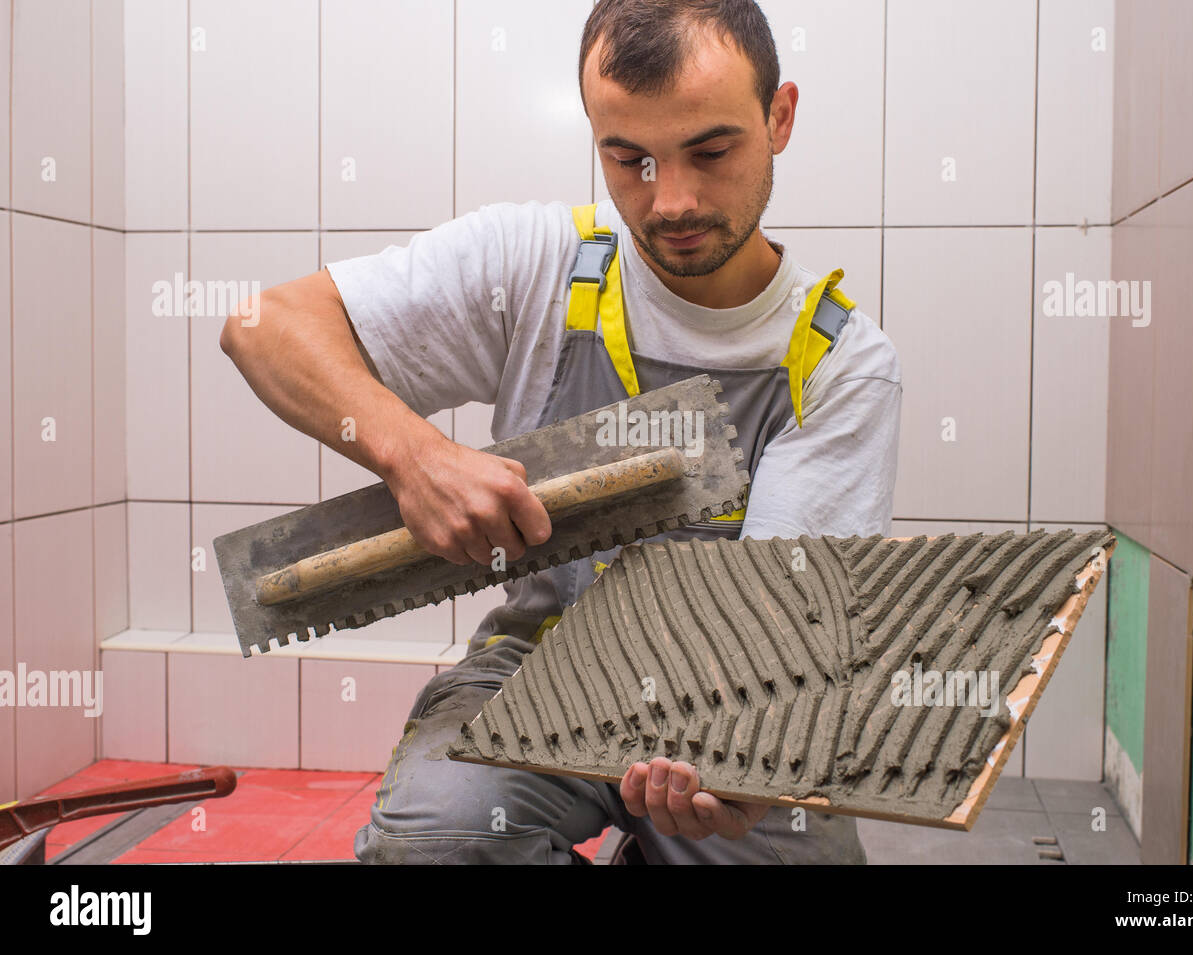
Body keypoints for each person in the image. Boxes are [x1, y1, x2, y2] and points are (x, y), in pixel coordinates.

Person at [221, 0, 901, 864]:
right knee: (439, 838)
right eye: (630, 158)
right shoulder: (536, 262)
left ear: (780, 117)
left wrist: (748, 770)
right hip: (537, 666)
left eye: (711, 151)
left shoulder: (841, 365)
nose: (672, 200)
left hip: (737, 695)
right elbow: (263, 324)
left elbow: (777, 637)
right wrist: (415, 456)